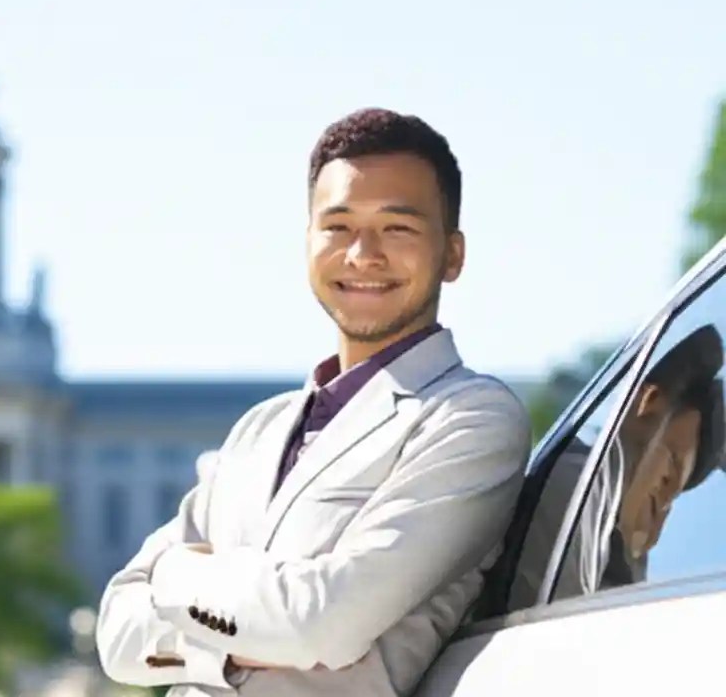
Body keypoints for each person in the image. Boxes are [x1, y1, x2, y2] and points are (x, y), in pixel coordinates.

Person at [95, 108, 531, 696]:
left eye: (398, 228)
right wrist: (228, 653)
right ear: (308, 242)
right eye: (338, 226)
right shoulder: (258, 429)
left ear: (452, 255)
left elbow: (322, 624)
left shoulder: (470, 419)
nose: (362, 255)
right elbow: (116, 633)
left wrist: (175, 575)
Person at [511, 325, 725, 606]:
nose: (659, 511)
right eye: (667, 475)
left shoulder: (613, 534)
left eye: (671, 502)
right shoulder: (577, 487)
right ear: (648, 401)